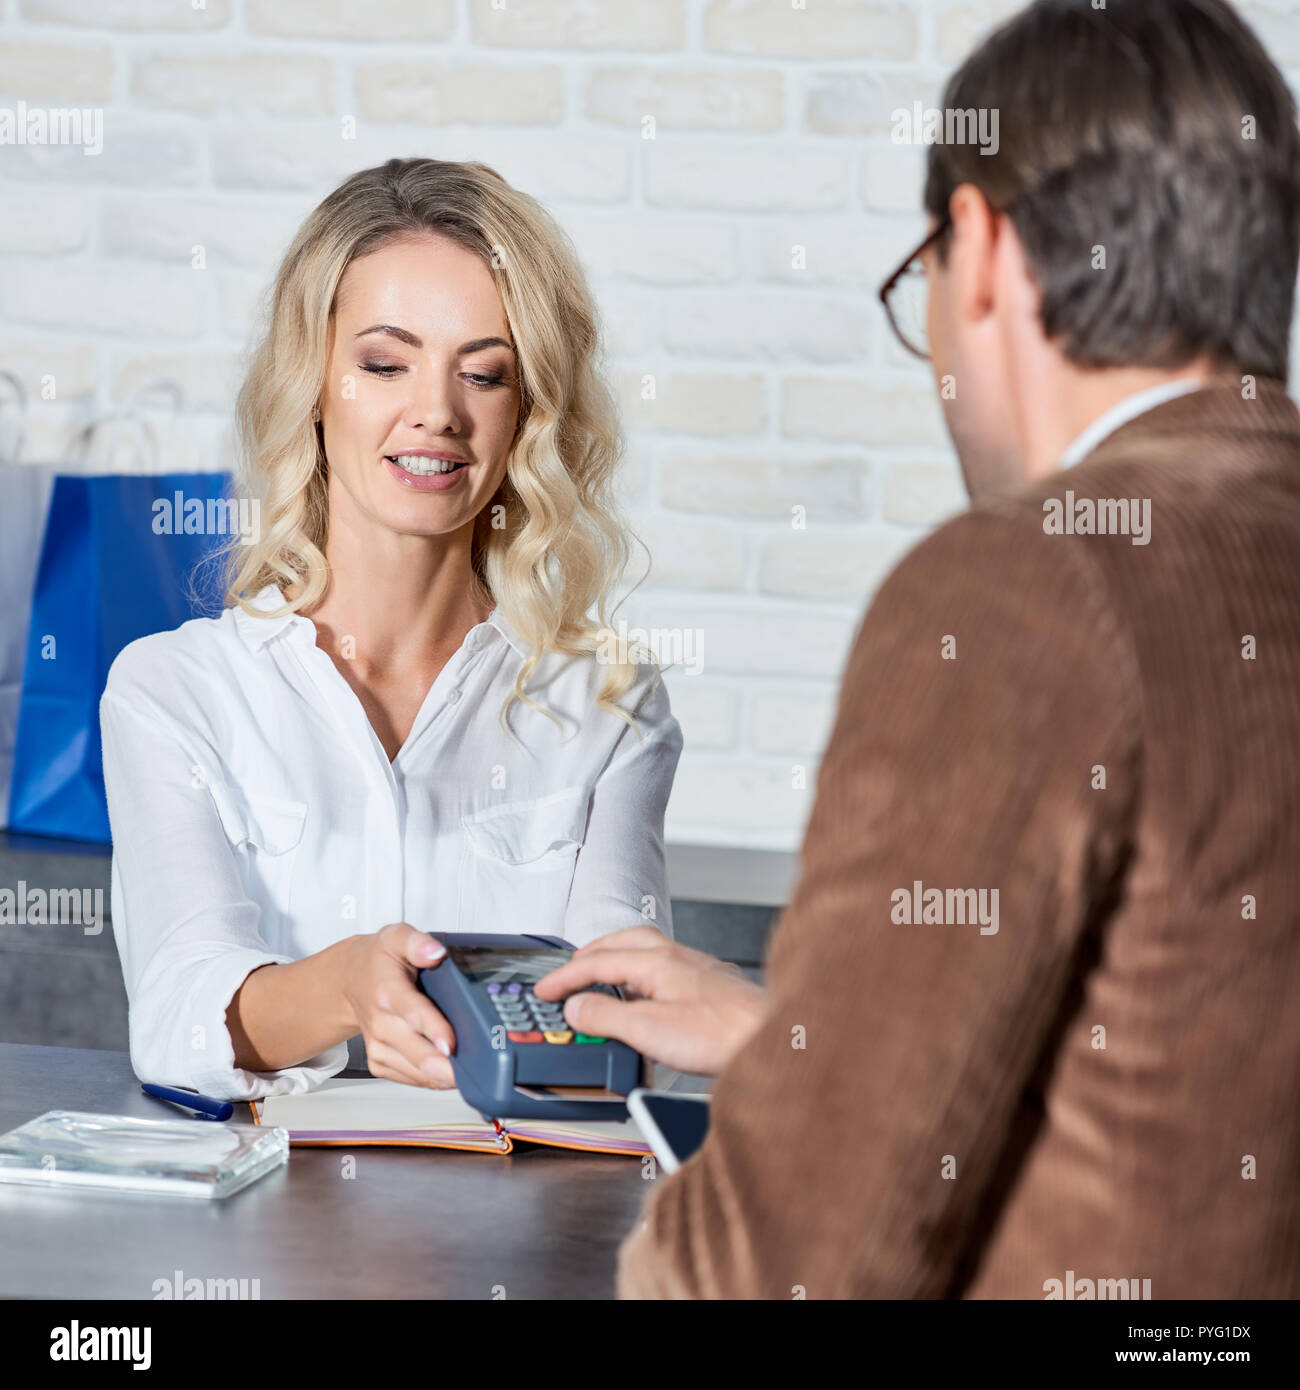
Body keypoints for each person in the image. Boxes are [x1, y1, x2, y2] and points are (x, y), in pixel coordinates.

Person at [534, 0, 1300, 1298]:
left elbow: (784, 1264)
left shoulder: (1027, 583)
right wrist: (802, 1038)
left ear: (983, 248)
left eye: (925, 289)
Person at [102, 158, 681, 1101]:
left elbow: (623, 1013)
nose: (438, 412)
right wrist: (343, 987)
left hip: (529, 1226)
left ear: (526, 413)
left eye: (485, 374)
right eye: (384, 362)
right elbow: (176, 1013)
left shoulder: (609, 706)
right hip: (269, 1232)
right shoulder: (174, 691)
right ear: (316, 384)